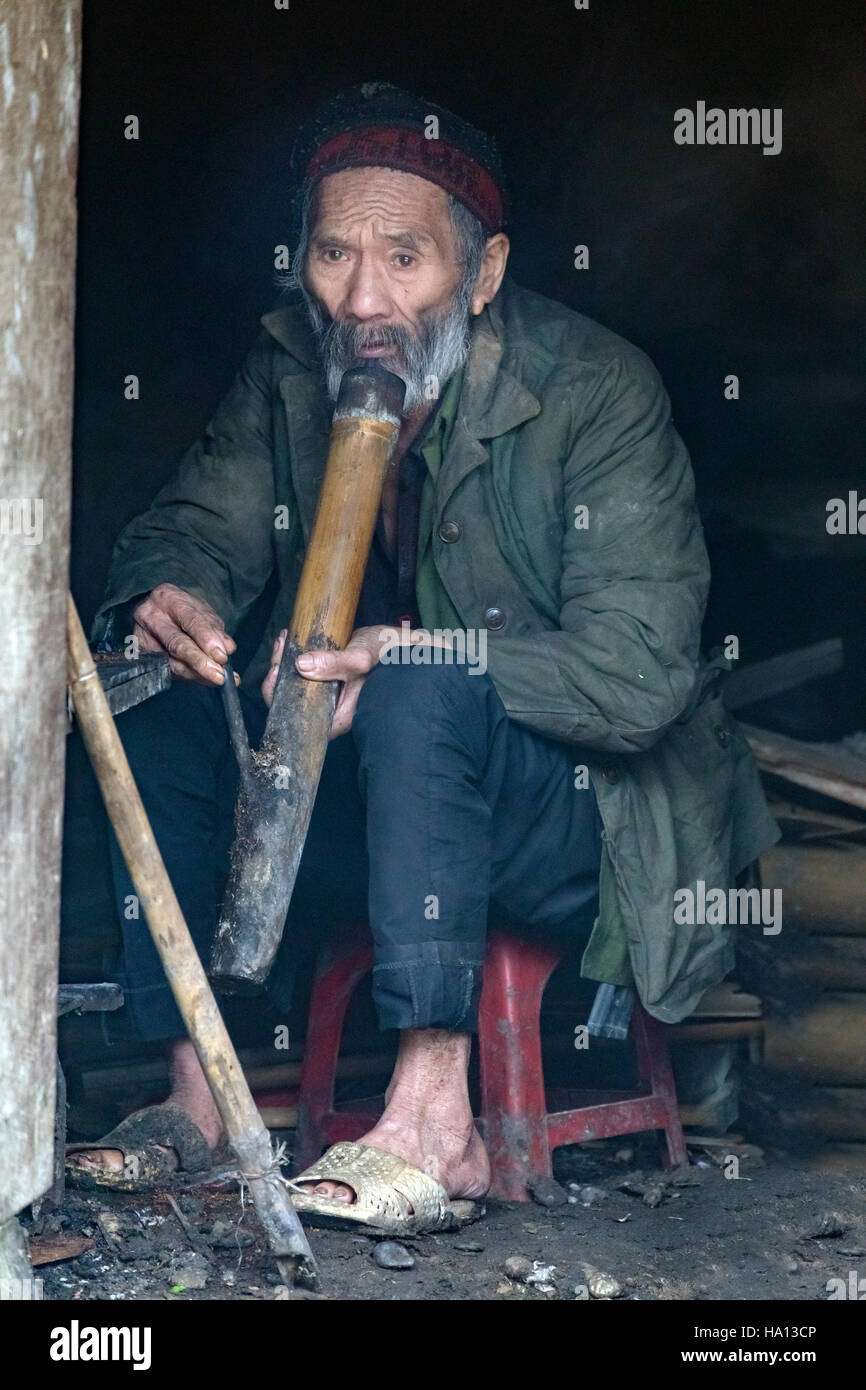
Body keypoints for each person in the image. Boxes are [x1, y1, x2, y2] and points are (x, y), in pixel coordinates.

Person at [67, 82, 778, 1227]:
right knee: (160, 686)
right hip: (375, 819)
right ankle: (195, 1095)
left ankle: (434, 1120)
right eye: (333, 254)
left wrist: (420, 652)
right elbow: (194, 525)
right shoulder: (292, 367)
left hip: (575, 827)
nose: (362, 298)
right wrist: (174, 594)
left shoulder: (594, 391)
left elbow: (641, 674)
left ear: (483, 272)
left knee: (421, 682)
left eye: (404, 258)